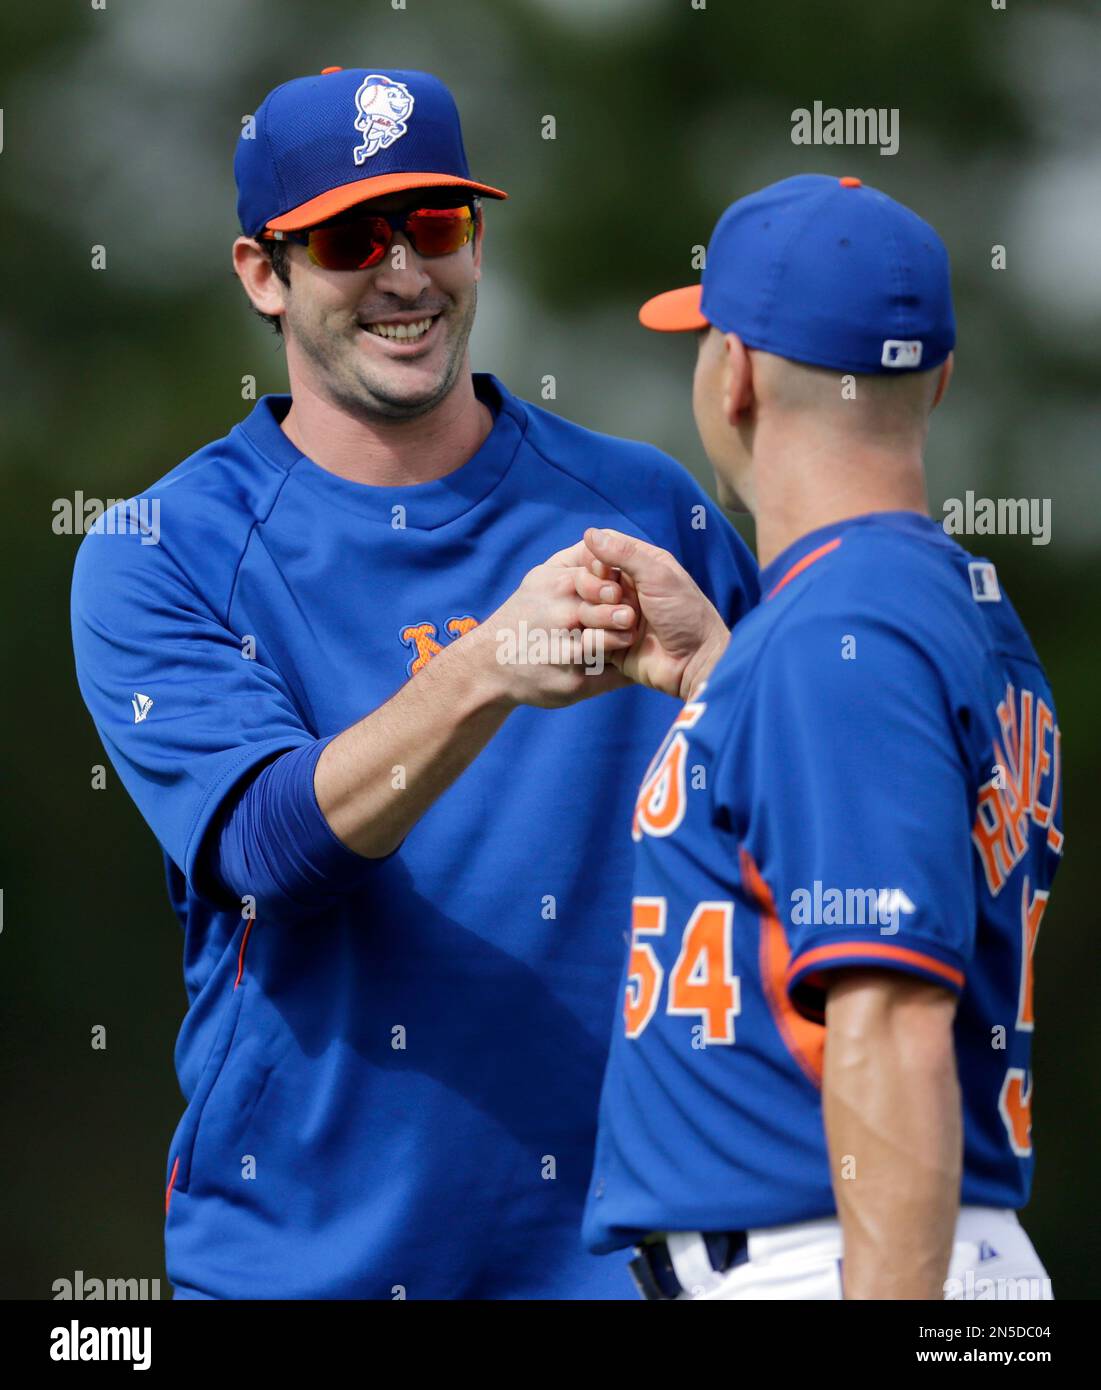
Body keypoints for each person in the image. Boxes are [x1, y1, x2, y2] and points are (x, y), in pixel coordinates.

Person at [69, 66, 758, 1299]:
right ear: (262, 273)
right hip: (295, 1260)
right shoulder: (161, 550)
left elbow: (801, 829)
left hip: (620, 1266)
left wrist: (724, 675)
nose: (403, 274)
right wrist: (487, 664)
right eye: (348, 237)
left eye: (435, 225)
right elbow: (273, 857)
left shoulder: (647, 507)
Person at [576, 174, 1063, 1300]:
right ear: (937, 378)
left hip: (839, 1257)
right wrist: (725, 674)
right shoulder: (938, 608)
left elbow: (890, 1022)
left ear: (734, 373)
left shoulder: (840, 634)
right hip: (905, 1246)